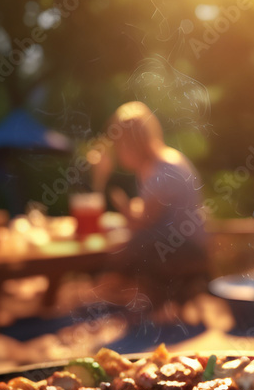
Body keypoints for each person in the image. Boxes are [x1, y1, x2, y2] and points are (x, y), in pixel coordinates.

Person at [89, 101, 207, 313]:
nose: (118, 151)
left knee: (130, 245)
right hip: (188, 244)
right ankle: (132, 300)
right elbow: (150, 212)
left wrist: (115, 196)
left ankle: (130, 301)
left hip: (186, 249)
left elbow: (141, 223)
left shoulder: (162, 170)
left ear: (134, 143)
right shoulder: (161, 162)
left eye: (120, 144)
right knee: (130, 242)